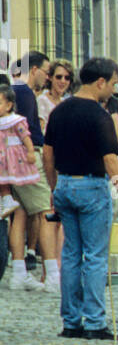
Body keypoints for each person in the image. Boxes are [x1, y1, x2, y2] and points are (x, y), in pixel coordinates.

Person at [42, 56, 118, 338]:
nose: (113, 90)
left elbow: (48, 154)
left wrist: (54, 186)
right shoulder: (99, 115)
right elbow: (111, 161)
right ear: (100, 82)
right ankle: (95, 322)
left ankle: (71, 321)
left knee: (70, 254)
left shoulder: (59, 111)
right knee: (95, 256)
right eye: (112, 84)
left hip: (65, 185)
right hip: (91, 187)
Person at [9, 51, 60, 290]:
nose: (48, 77)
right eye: (47, 71)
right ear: (34, 69)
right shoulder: (26, 92)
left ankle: (19, 272)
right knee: (44, 212)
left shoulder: (13, 91)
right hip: (28, 157)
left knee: (19, 213)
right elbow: (26, 130)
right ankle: (52, 275)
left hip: (11, 161)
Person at [0, 84, 40, 217]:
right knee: (2, 180)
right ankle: (7, 199)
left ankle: (10, 199)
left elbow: (25, 136)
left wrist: (30, 151)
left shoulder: (15, 121)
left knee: (8, 178)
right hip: (2, 156)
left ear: (9, 105)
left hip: (12, 154)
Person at [37, 59, 74, 131]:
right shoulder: (42, 100)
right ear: (50, 77)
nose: (63, 81)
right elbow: (42, 130)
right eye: (59, 77)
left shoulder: (66, 102)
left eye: (67, 78)